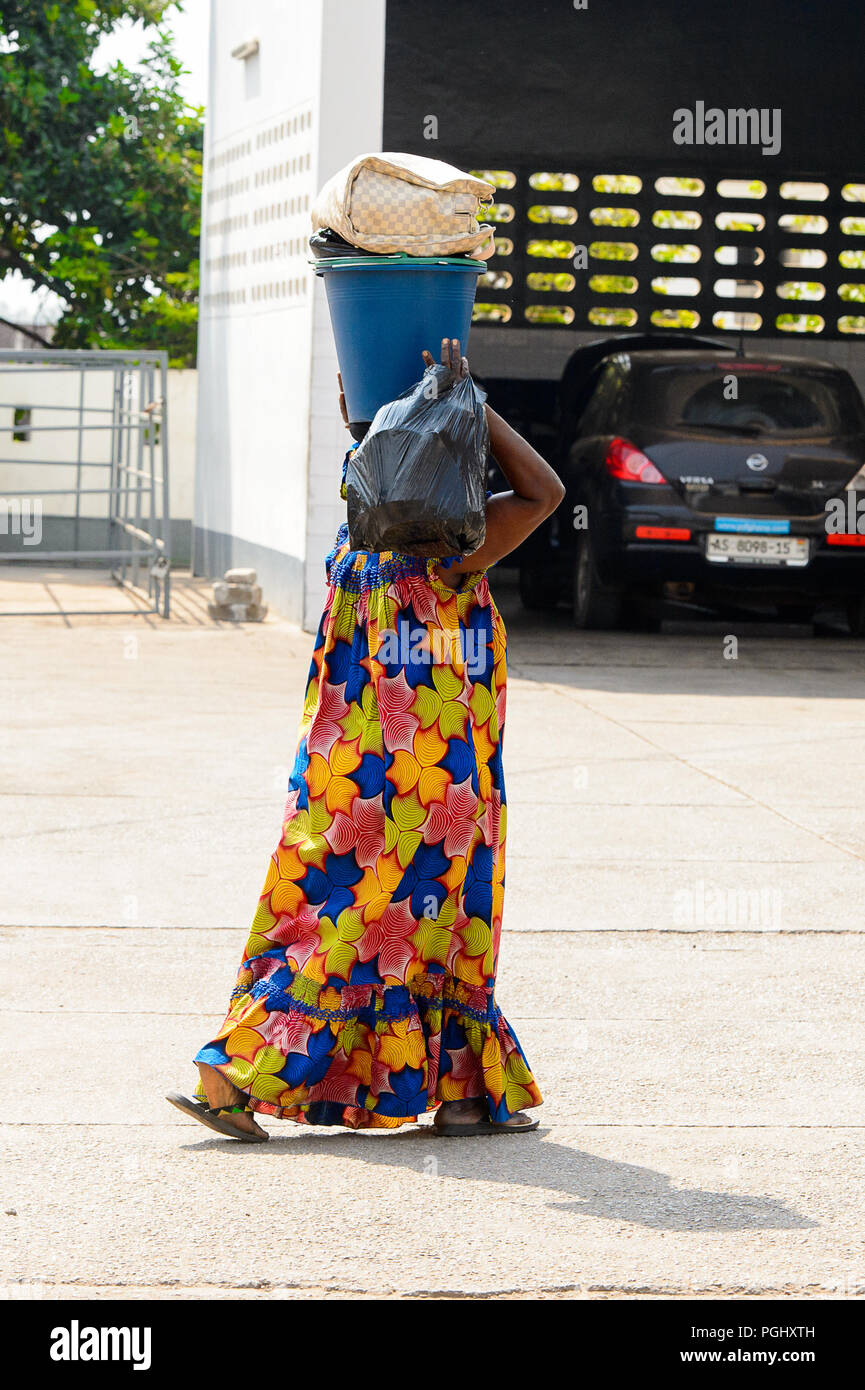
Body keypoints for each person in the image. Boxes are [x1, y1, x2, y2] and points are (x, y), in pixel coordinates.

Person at [167, 338, 565, 1140]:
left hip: (340, 773)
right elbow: (546, 490)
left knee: (322, 911)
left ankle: (454, 1092)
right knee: (427, 920)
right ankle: (234, 1072)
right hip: (437, 785)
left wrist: (384, 396)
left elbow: (372, 443)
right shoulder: (454, 556)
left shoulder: (351, 556)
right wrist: (472, 405)